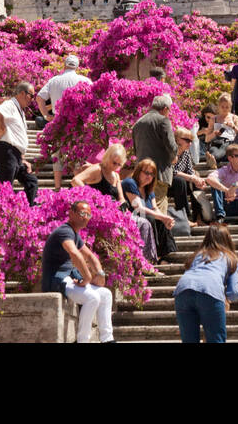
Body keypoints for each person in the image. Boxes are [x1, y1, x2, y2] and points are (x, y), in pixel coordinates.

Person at [40, 199, 115, 343]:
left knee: (105, 294)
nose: (85, 217)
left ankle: (107, 339)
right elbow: (74, 253)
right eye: (82, 213)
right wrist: (87, 277)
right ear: (71, 213)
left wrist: (100, 274)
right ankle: (82, 340)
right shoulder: (64, 231)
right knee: (92, 297)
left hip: (69, 279)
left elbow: (90, 256)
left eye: (88, 215)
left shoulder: (75, 234)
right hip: (56, 280)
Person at [173, 223, 238, 343]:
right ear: (228, 239)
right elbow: (234, 292)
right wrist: (226, 299)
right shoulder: (230, 258)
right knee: (216, 339)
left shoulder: (197, 256)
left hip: (182, 291)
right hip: (210, 292)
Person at [36, 54, 90, 187]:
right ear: (77, 67)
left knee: (57, 156)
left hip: (58, 121)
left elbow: (39, 97)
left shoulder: (54, 80)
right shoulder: (85, 80)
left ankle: (57, 187)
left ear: (64, 65)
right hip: (77, 123)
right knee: (76, 155)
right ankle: (78, 186)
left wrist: (46, 115)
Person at [0, 82, 39, 203]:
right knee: (5, 187)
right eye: (31, 96)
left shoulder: (20, 110)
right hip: (6, 151)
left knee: (31, 181)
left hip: (16, 155)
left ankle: (30, 209)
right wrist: (2, 129)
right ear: (22, 93)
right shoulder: (10, 104)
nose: (32, 100)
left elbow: (18, 136)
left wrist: (23, 159)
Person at [122, 159, 177, 261]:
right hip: (131, 218)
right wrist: (163, 217)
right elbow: (138, 208)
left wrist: (166, 219)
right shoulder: (130, 183)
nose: (149, 176)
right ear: (138, 171)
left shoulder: (149, 189)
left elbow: (155, 208)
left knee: (160, 220)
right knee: (151, 218)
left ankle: (165, 256)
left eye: (152, 174)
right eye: (146, 173)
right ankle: (153, 256)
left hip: (144, 218)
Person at [132, 94, 177, 207]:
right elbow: (171, 146)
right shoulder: (163, 120)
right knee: (159, 206)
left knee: (146, 206)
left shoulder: (138, 123)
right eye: (169, 110)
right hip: (159, 172)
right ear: (165, 108)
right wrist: (174, 157)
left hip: (141, 173)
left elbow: (136, 150)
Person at [206, 142, 238, 225]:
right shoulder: (224, 170)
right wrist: (226, 190)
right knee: (215, 183)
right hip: (228, 204)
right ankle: (220, 216)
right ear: (230, 158)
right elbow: (209, 178)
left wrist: (235, 186)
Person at [170, 126, 208, 223]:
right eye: (187, 140)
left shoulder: (186, 153)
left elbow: (190, 171)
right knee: (180, 181)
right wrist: (192, 178)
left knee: (196, 180)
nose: (190, 143)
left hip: (182, 184)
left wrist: (198, 180)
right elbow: (171, 172)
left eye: (191, 140)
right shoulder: (170, 152)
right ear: (177, 139)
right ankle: (185, 217)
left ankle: (198, 216)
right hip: (168, 184)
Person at [200, 96, 238, 165]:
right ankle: (213, 158)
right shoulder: (213, 119)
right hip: (217, 143)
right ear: (218, 106)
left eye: (227, 107)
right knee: (213, 150)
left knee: (225, 147)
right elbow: (207, 139)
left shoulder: (234, 118)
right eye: (222, 107)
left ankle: (213, 158)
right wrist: (214, 133)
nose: (225, 109)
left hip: (230, 143)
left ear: (230, 107)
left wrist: (233, 127)